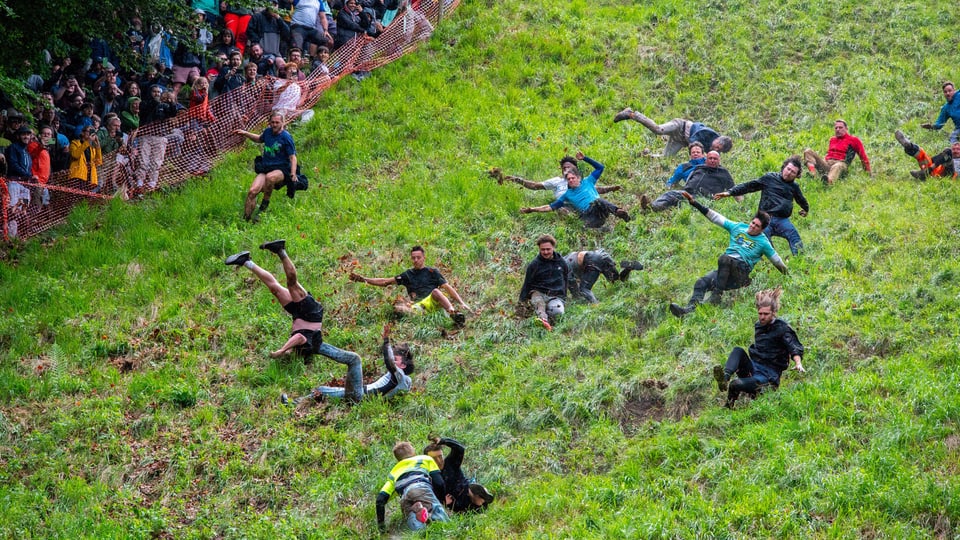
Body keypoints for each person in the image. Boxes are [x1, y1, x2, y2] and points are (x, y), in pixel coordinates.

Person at [668, 191, 787, 317]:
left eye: (757, 226)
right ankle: (687, 311)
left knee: (725, 259)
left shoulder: (763, 242)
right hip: (725, 272)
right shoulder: (738, 227)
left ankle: (716, 296)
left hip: (740, 273)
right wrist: (694, 203)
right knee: (701, 283)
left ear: (762, 229)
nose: (752, 227)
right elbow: (715, 217)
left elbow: (777, 260)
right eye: (753, 223)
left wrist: (789, 275)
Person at [224, 239, 325, 357]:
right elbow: (299, 337)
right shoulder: (307, 346)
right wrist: (282, 351)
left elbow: (294, 344)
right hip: (311, 313)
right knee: (292, 284)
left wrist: (287, 351)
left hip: (298, 313)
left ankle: (245, 261)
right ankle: (280, 250)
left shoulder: (299, 349)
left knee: (275, 289)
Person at [712, 288, 805, 408]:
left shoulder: (782, 328)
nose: (762, 317)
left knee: (735, 384)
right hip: (754, 368)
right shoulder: (758, 326)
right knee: (738, 351)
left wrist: (798, 363)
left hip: (768, 377)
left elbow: (793, 347)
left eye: (766, 314)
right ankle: (724, 378)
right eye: (760, 313)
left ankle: (728, 407)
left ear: (774, 313)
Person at [281, 324, 414, 404]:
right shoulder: (399, 381)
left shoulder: (401, 375)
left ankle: (317, 347)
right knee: (321, 390)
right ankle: (292, 403)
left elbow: (389, 362)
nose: (394, 362)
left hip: (361, 395)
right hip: (359, 395)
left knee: (354, 359)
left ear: (403, 366)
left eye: (397, 360)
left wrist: (386, 342)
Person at [349, 245, 471, 327]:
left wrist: (461, 303)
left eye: (418, 257)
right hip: (419, 307)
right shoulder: (407, 274)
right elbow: (385, 282)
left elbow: (447, 288)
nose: (416, 260)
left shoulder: (432, 272)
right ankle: (415, 317)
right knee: (399, 306)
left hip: (435, 303)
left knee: (436, 292)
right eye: (413, 258)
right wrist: (363, 279)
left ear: (424, 258)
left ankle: (454, 314)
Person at [714, 155, 809, 255]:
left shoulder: (794, 187)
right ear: (784, 167)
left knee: (795, 238)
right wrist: (730, 192)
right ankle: (773, 262)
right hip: (764, 219)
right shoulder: (769, 178)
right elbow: (749, 186)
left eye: (793, 172)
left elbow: (801, 199)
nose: (789, 173)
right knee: (766, 244)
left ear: (796, 175)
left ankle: (801, 261)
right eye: (788, 169)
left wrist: (806, 209)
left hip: (782, 220)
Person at [520, 152, 631, 229]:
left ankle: (619, 212)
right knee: (583, 226)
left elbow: (600, 168)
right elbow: (550, 207)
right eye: (569, 179)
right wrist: (531, 209)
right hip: (588, 215)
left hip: (600, 208)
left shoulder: (588, 181)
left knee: (598, 201)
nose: (571, 180)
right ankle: (602, 229)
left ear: (578, 177)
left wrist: (585, 158)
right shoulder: (567, 195)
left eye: (573, 178)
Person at [234, 111, 297, 221]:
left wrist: (293, 173)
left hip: (281, 169)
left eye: (277, 122)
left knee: (270, 178)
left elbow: (293, 157)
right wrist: (245, 133)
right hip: (266, 167)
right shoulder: (268, 132)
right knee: (252, 191)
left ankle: (264, 205)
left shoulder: (286, 137)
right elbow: (259, 139)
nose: (274, 125)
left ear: (282, 123)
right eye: (272, 122)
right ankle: (246, 220)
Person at [376, 441, 449, 533]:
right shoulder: (425, 459)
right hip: (421, 487)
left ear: (398, 459)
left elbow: (380, 500)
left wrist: (381, 527)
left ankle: (419, 521)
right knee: (444, 524)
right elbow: (439, 483)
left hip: (405, 496)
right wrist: (442, 502)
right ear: (414, 452)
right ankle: (430, 514)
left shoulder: (393, 472)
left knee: (417, 532)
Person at [491, 155, 621, 204]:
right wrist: (517, 179)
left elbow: (596, 189)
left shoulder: (582, 181)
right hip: (566, 207)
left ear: (575, 169)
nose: (566, 170)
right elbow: (536, 186)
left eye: (569, 168)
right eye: (564, 168)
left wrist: (611, 188)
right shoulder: (557, 181)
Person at [612, 108, 733, 157]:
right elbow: (693, 142)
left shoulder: (713, 150)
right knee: (658, 130)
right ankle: (632, 114)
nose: (715, 149)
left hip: (680, 140)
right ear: (718, 139)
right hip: (680, 126)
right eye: (717, 146)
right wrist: (699, 154)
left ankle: (645, 155)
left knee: (666, 158)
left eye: (718, 150)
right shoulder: (708, 133)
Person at [644, 150, 738, 212]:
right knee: (670, 195)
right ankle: (652, 207)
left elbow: (734, 190)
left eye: (715, 159)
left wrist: (741, 204)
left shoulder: (723, 173)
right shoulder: (699, 168)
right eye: (710, 158)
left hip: (703, 198)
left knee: (683, 203)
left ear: (719, 160)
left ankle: (659, 208)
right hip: (687, 193)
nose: (712, 160)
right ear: (706, 159)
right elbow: (688, 180)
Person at [423, 437, 494, 512]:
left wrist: (443, 441)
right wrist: (443, 502)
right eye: (434, 458)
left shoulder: (450, 463)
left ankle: (479, 496)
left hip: (464, 490)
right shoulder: (426, 474)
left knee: (472, 491)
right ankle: (478, 498)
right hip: (453, 504)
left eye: (440, 457)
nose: (439, 461)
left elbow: (459, 449)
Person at [518, 234, 569, 330]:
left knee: (557, 311)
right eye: (543, 250)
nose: (545, 252)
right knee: (539, 304)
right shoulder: (534, 265)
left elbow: (566, 280)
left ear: (553, 247)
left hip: (555, 295)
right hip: (538, 292)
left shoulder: (561, 262)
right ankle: (543, 321)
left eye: (548, 249)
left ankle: (554, 325)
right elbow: (527, 283)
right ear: (539, 249)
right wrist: (521, 301)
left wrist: (565, 297)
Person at [802, 119, 872, 184]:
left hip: (841, 164)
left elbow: (863, 157)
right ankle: (813, 174)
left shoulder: (854, 140)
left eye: (840, 127)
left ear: (846, 129)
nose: (838, 129)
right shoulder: (832, 139)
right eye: (836, 128)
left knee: (837, 166)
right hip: (827, 164)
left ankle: (829, 181)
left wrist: (868, 174)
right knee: (808, 151)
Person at [564, 250, 643, 304]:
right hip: (602, 256)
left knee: (584, 289)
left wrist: (576, 297)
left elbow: (573, 286)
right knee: (616, 281)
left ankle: (596, 305)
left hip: (592, 260)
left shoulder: (564, 265)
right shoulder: (569, 258)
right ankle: (628, 268)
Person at [894, 130, 960, 180]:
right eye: (954, 149)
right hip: (937, 172)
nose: (955, 151)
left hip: (951, 175)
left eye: (958, 149)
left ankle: (926, 171)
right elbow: (932, 160)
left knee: (948, 152)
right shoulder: (945, 157)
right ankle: (909, 146)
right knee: (925, 157)